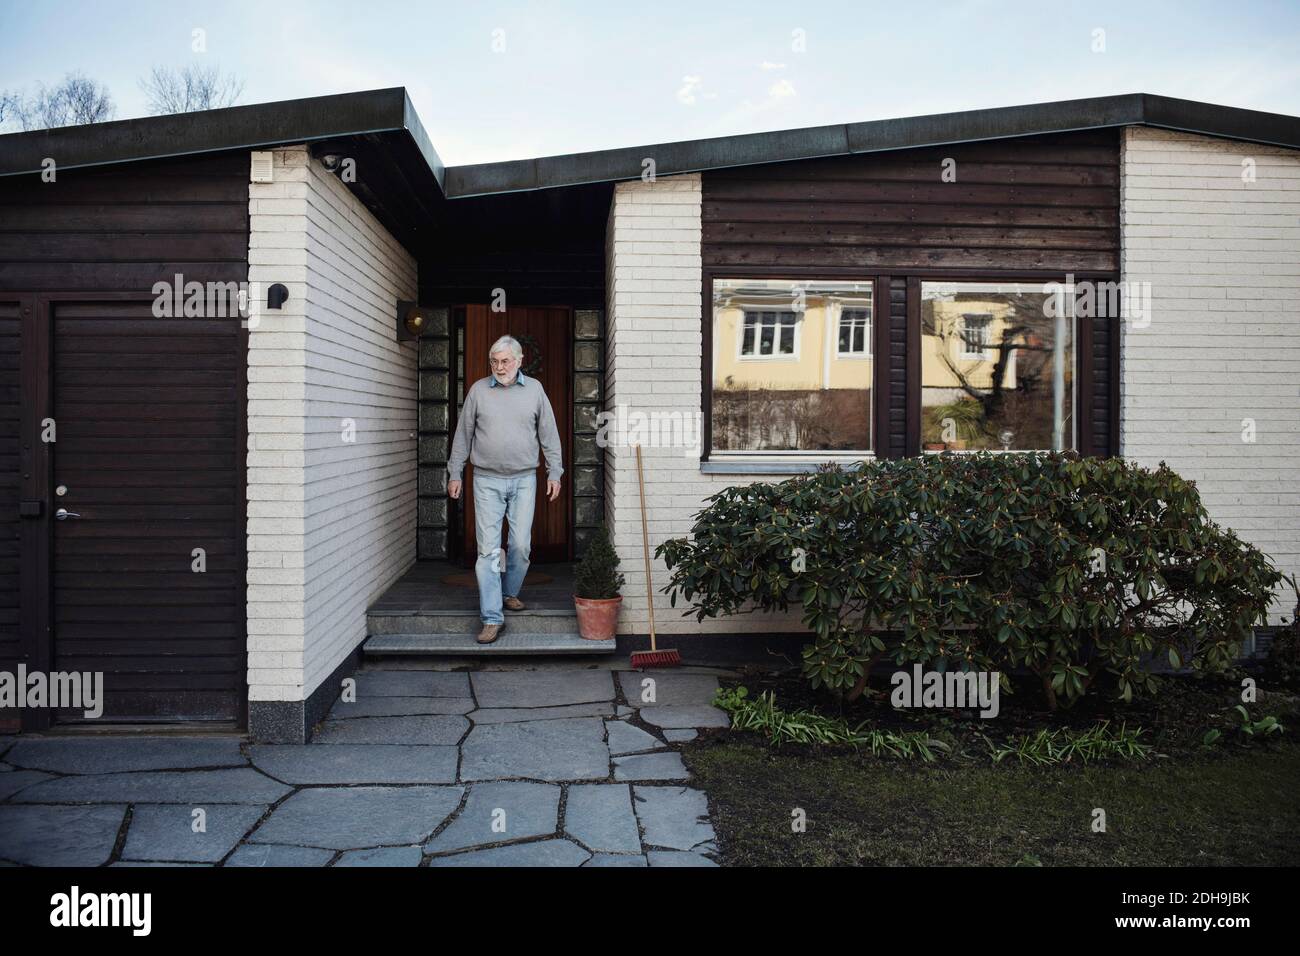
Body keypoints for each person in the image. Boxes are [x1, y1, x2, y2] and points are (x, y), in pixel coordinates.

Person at [446, 335, 563, 644]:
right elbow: (463, 435)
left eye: (505, 361)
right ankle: (492, 618)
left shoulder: (535, 390)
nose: (499, 367)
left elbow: (548, 434)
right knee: (488, 551)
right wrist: (455, 472)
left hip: (525, 478)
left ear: (519, 360)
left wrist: (556, 472)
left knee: (521, 546)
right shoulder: (478, 391)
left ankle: (510, 591)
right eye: (494, 361)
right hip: (485, 479)